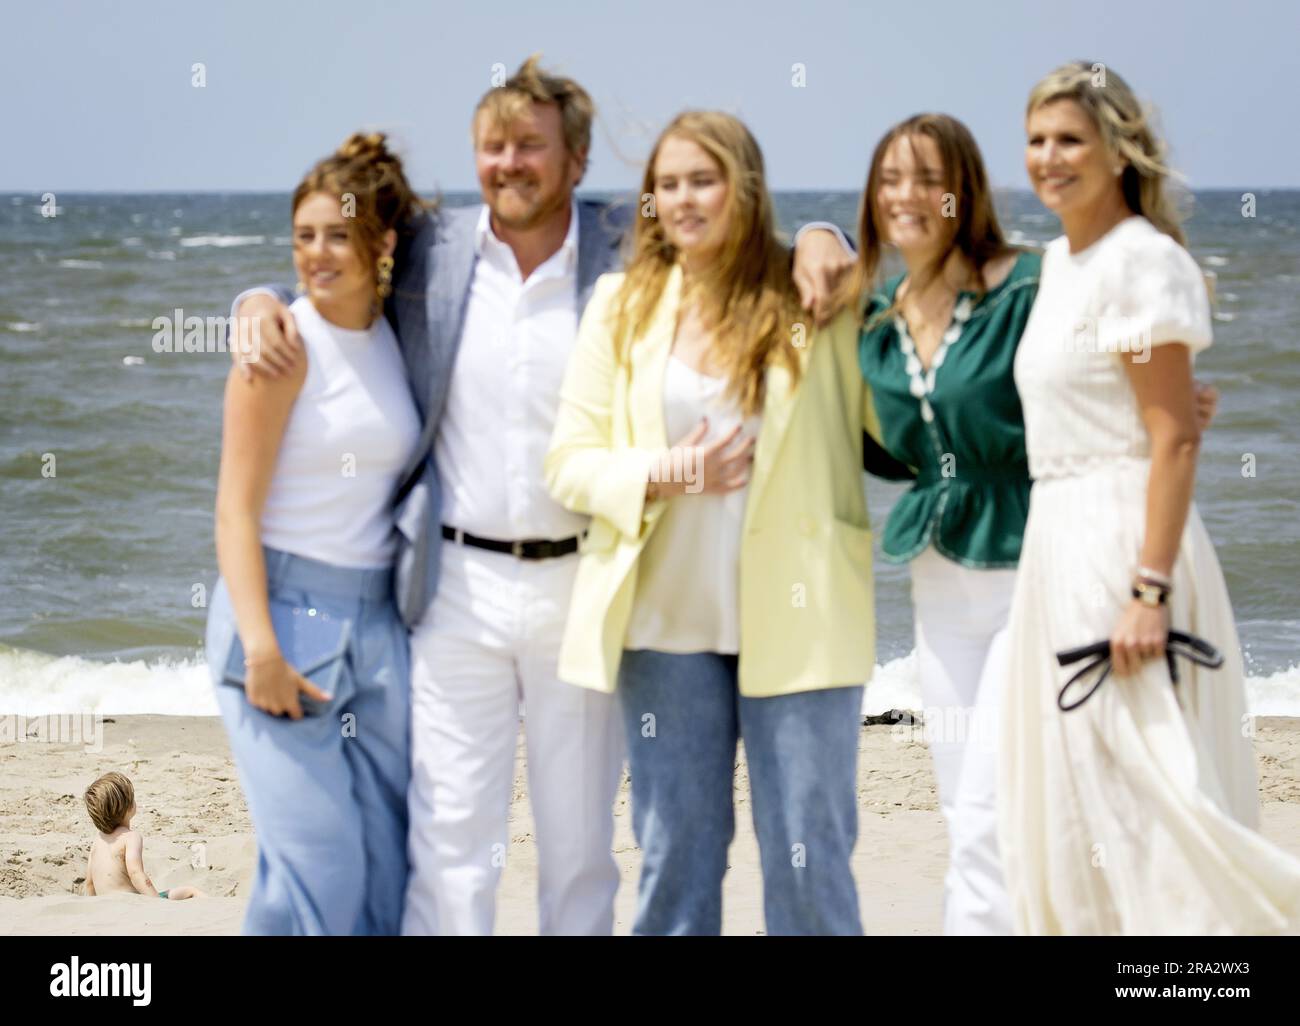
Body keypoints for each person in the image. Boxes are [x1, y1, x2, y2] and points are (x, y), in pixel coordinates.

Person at [231, 58, 855, 936]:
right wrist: (255, 298)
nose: (509, 163)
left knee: (581, 849)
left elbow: (736, 241)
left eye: (531, 145)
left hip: (584, 585)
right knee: (451, 846)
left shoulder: (627, 251)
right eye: (493, 146)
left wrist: (827, 233)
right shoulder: (430, 251)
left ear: (577, 156)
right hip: (454, 590)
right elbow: (329, 263)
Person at [545, 110, 875, 935]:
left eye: (705, 179)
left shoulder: (813, 294)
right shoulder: (619, 307)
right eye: (668, 183)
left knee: (808, 858)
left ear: (745, 187)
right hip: (666, 630)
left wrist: (833, 237)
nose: (685, 199)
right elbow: (569, 465)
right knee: (676, 865)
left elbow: (893, 407)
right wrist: (670, 472)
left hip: (802, 623)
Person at [999, 60, 1300, 934]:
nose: (1049, 158)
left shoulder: (1143, 262)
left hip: (1119, 546)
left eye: (1071, 140)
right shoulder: (1054, 263)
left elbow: (1172, 440)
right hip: (1054, 544)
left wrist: (1148, 591)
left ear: (1118, 152)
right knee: (1072, 804)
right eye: (1036, 140)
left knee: (1152, 799)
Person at [206, 132, 423, 935]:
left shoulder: (403, 337)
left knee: (381, 872)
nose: (317, 254)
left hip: (379, 632)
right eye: (303, 236)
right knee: (319, 873)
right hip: (283, 621)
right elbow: (234, 511)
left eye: (338, 233)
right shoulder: (279, 349)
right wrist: (261, 647)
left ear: (383, 241)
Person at [853, 114, 1039, 934]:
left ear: (962, 191)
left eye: (926, 178)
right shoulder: (879, 322)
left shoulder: (1026, 289)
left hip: (1034, 574)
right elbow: (893, 454)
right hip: (938, 589)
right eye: (889, 179)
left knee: (997, 808)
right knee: (965, 807)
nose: (905, 196)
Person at [83, 771, 205, 900]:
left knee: (171, 893)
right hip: (130, 904)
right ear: (127, 806)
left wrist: (94, 903)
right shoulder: (131, 837)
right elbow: (136, 873)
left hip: (105, 904)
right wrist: (157, 902)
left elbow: (89, 883)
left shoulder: (98, 839)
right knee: (190, 891)